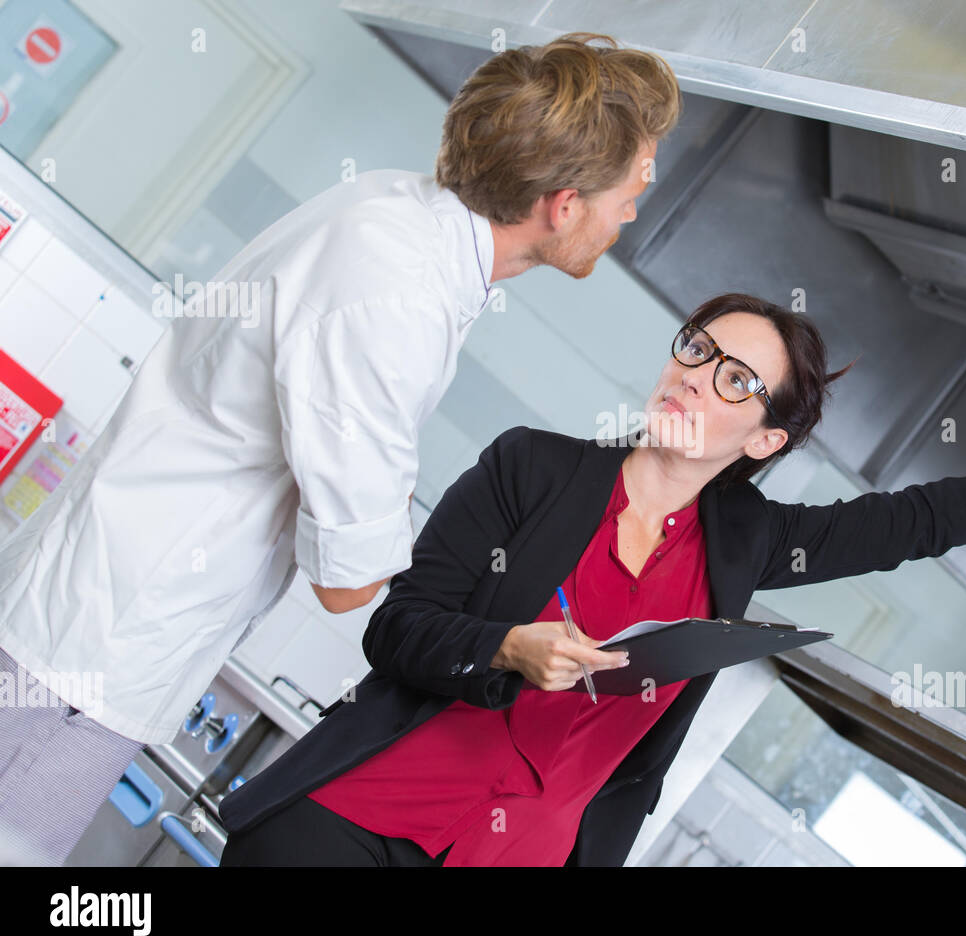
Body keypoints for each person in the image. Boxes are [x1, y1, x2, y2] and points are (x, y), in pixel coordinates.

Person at [0, 32, 681, 866]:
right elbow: (348, 580)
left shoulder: (401, 223)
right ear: (565, 203)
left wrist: (381, 498)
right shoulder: (394, 293)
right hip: (89, 658)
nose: (633, 213)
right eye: (631, 189)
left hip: (92, 632)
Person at [216, 292, 966, 867]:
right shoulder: (531, 467)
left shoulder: (748, 544)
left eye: (736, 380)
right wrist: (504, 648)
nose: (697, 376)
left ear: (765, 440)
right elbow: (400, 629)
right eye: (698, 348)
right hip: (357, 821)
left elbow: (915, 523)